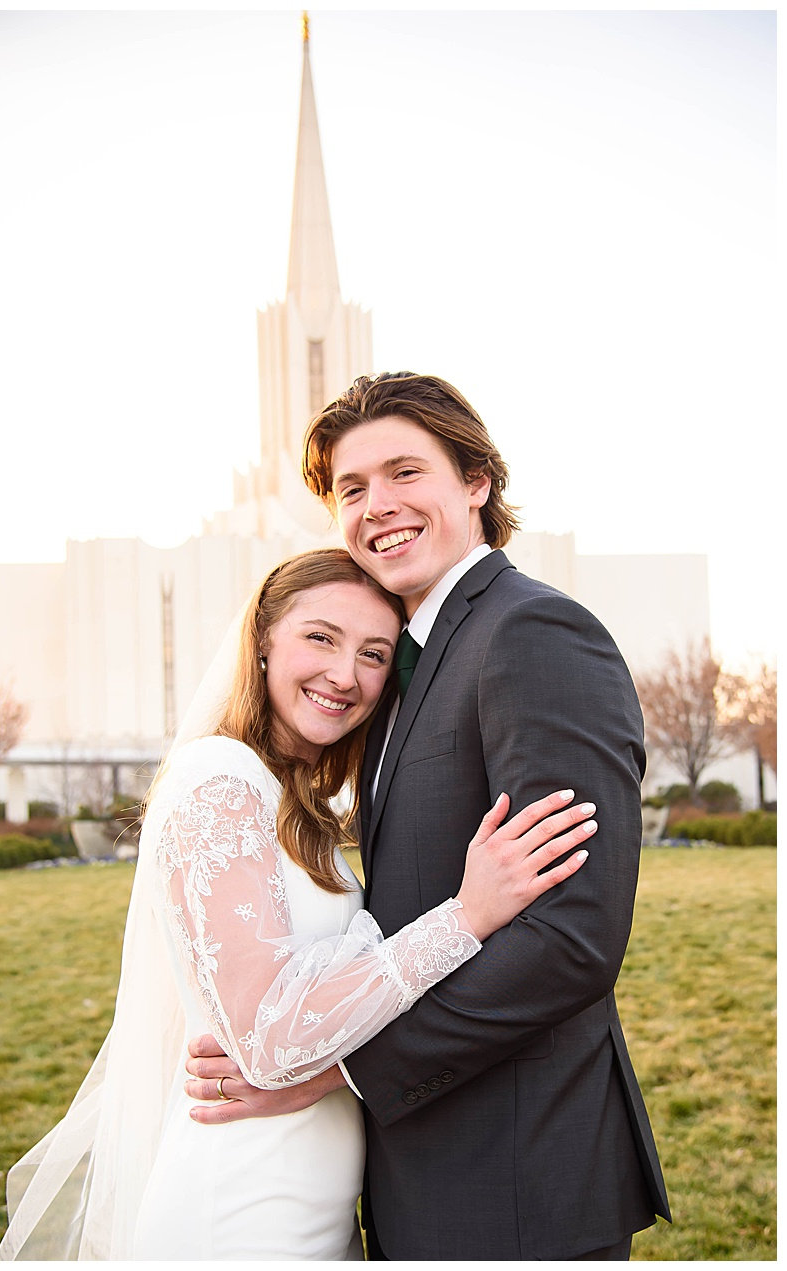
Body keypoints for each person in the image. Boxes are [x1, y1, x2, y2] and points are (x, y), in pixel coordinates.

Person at [184, 372, 671, 1258]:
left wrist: (333, 1070)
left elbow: (573, 937)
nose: (379, 506)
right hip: (414, 1173)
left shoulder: (533, 634)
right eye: (351, 488)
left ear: (475, 481)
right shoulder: (405, 663)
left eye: (406, 472)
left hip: (513, 1175)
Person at [0, 548, 600, 1260]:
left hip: (314, 1201)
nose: (345, 675)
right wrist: (466, 914)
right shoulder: (218, 781)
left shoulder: (291, 799)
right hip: (243, 1206)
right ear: (261, 644)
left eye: (374, 653)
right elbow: (269, 1038)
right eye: (321, 638)